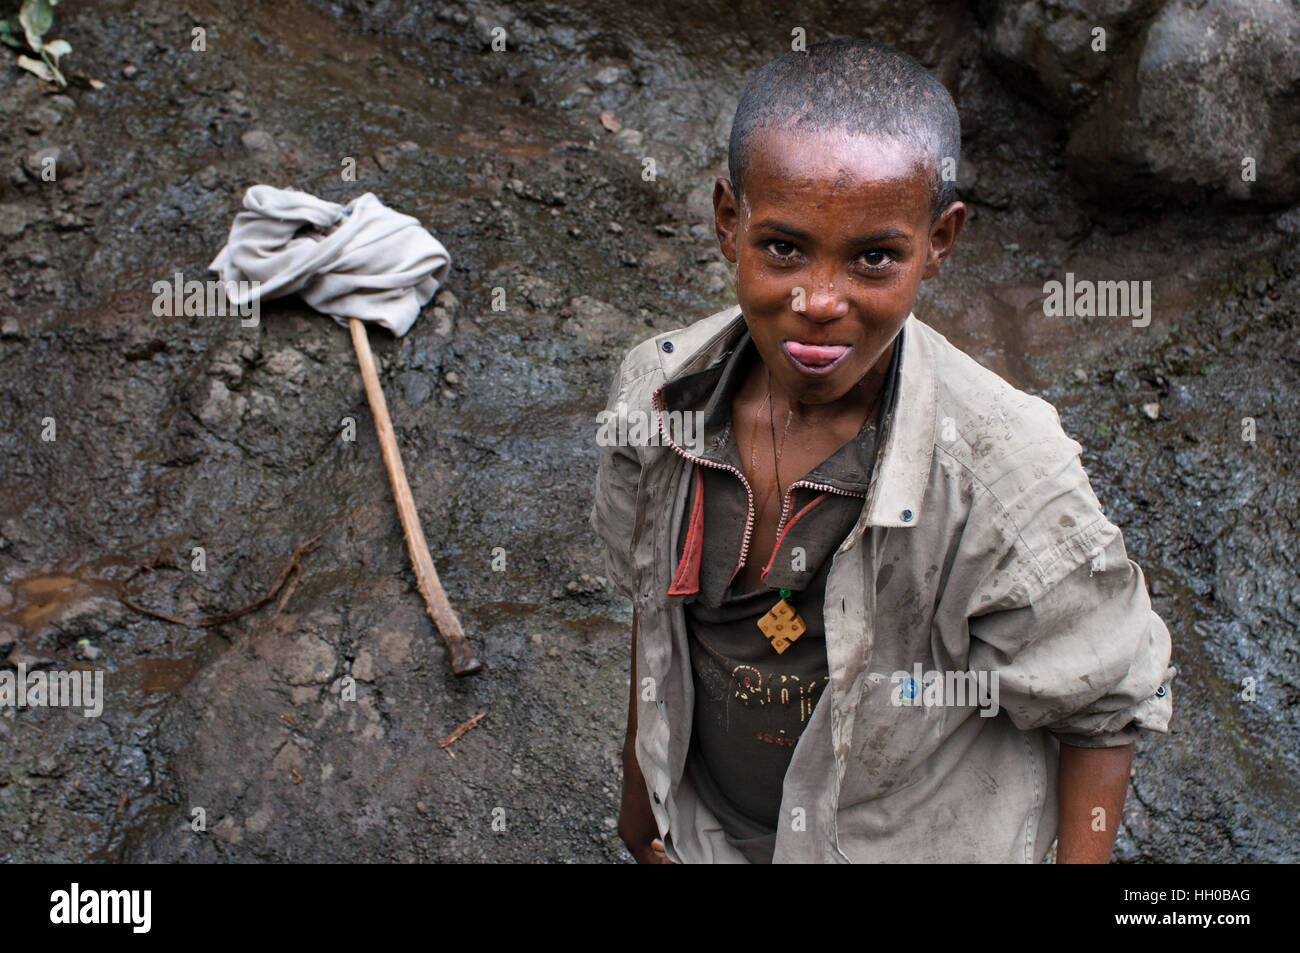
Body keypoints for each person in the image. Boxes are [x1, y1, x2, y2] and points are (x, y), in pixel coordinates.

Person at [589, 38, 1175, 864]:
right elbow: (654, 619)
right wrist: (642, 815)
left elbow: (1105, 706)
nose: (820, 301)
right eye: (784, 248)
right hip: (714, 832)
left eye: (874, 257)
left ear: (939, 241)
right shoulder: (657, 401)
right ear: (730, 222)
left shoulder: (1004, 477)